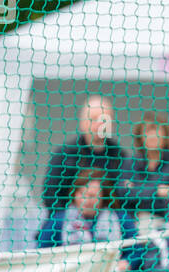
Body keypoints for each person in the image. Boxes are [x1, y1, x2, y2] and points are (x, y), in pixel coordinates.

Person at [39, 95, 130, 246]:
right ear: (82, 122)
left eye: (104, 119)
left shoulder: (119, 157)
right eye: (93, 119)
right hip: (66, 231)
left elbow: (124, 196)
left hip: (110, 229)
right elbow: (50, 194)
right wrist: (75, 216)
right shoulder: (65, 155)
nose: (99, 124)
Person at [126, 112, 169, 217]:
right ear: (140, 136)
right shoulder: (131, 162)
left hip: (168, 220)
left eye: (156, 130)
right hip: (135, 220)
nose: (152, 136)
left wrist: (138, 189)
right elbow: (123, 192)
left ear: (165, 135)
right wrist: (157, 190)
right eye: (148, 131)